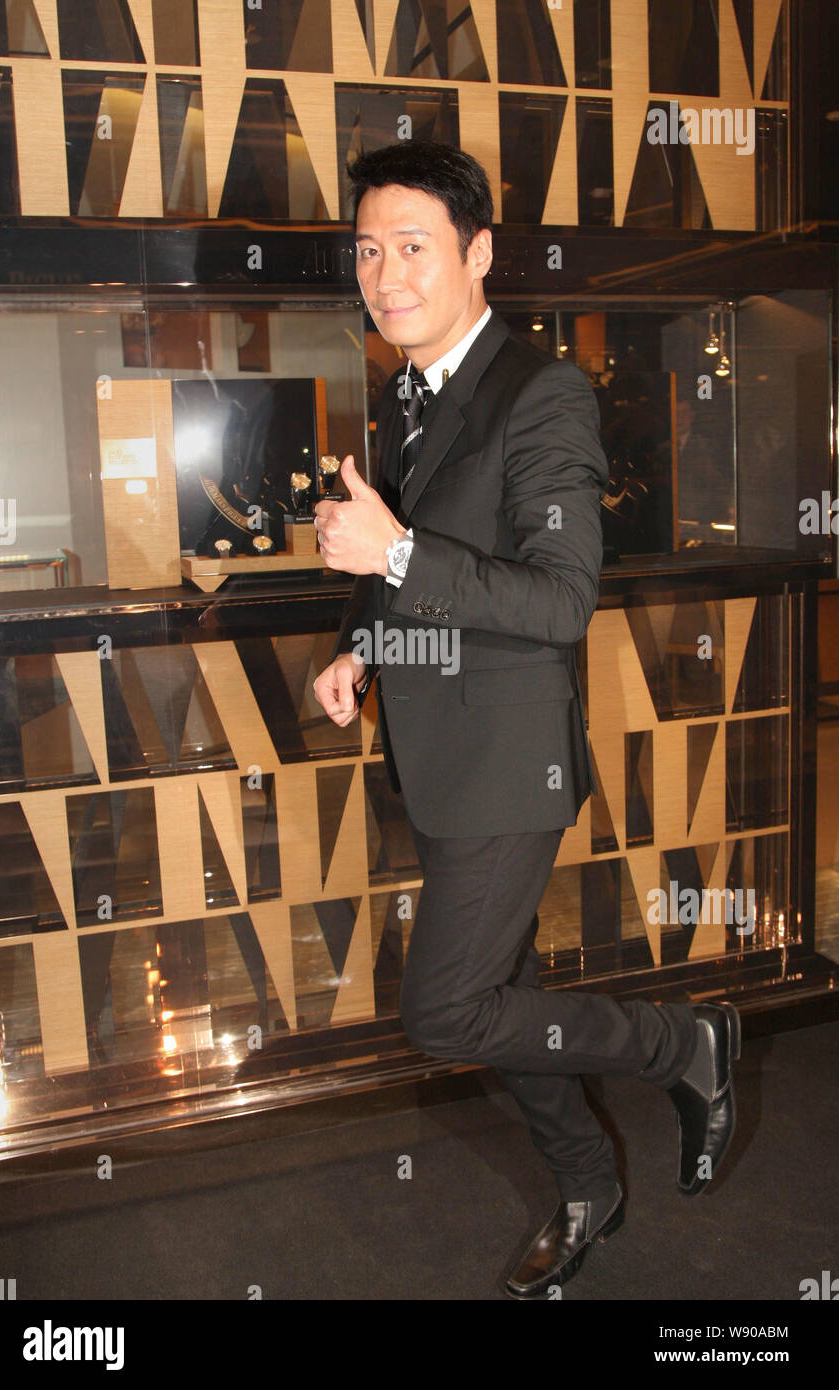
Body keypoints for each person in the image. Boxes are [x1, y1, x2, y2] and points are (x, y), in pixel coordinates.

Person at [312, 140, 740, 1299]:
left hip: (508, 767)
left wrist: (391, 548)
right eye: (367, 248)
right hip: (440, 757)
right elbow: (420, 574)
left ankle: (679, 1046)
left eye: (412, 246)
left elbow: (557, 599)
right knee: (501, 1001)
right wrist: (363, 643)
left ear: (478, 253)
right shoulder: (415, 390)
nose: (384, 273)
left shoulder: (540, 390)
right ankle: (586, 1182)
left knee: (447, 1010)